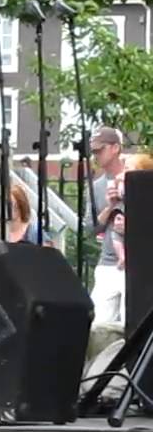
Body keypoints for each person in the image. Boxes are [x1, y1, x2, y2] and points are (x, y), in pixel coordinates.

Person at [89, 127, 127, 325]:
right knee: (97, 327)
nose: (96, 156)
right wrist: (109, 207)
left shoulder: (136, 177)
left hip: (136, 262)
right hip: (108, 263)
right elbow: (92, 229)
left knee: (132, 325)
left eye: (99, 150)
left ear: (115, 148)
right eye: (93, 151)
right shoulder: (97, 186)